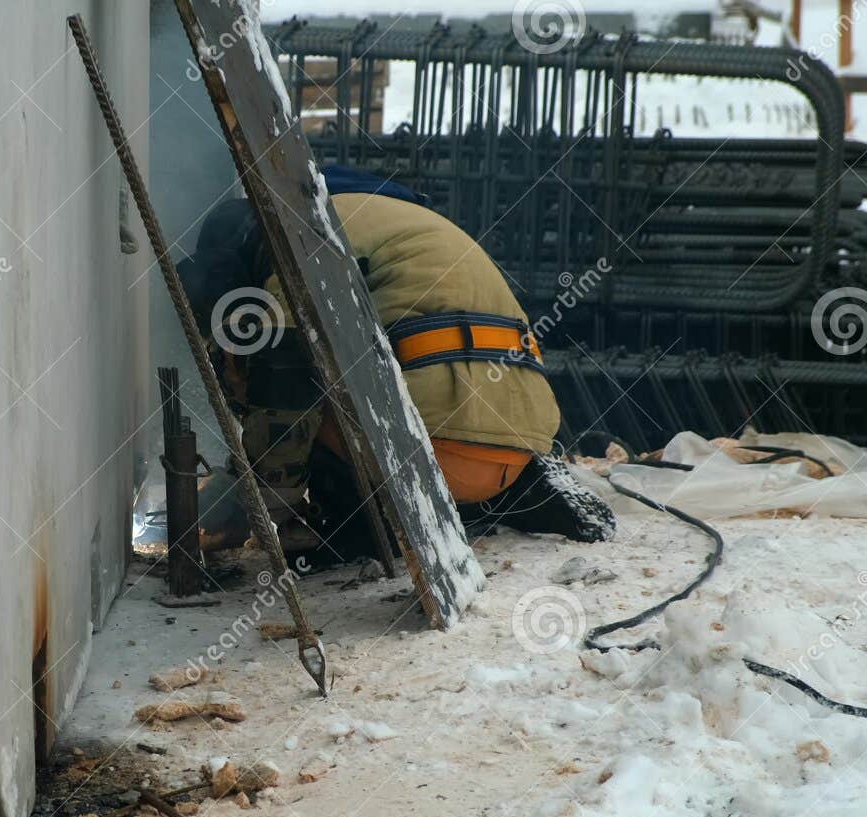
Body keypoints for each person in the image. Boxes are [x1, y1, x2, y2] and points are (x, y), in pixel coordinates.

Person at [177, 165, 614, 563]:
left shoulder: (300, 239)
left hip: (431, 451)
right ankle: (498, 499)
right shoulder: (401, 223)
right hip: (521, 442)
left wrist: (256, 503)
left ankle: (359, 532)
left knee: (306, 379)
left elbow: (285, 385)